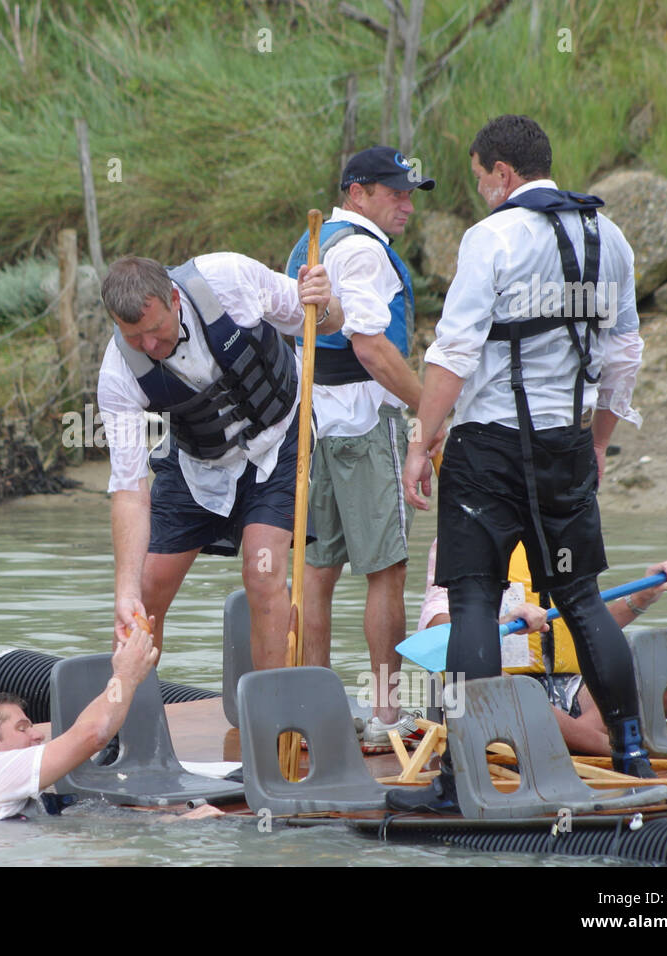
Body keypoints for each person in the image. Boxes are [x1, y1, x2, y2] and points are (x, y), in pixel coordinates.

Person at [393, 114, 650, 811]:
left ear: (501, 173)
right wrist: (596, 441)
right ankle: (631, 750)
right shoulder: (610, 236)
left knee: (474, 601)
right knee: (582, 599)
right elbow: (624, 354)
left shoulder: (493, 237)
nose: (481, 194)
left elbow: (453, 351)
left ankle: (464, 775)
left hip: (487, 449)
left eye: (480, 180)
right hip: (565, 445)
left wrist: (421, 440)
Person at [97, 253, 337, 671]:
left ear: (173, 298)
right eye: (135, 337)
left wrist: (326, 302)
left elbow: (323, 322)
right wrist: (124, 589)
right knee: (146, 589)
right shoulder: (118, 373)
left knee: (263, 575)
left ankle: (273, 720)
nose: (150, 346)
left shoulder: (228, 279)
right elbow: (130, 490)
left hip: (279, 440)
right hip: (198, 461)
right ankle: (129, 722)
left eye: (155, 330)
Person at [284, 145, 434, 753]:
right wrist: (431, 413)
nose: (406, 203)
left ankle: (319, 709)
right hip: (366, 426)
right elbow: (372, 350)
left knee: (317, 574)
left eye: (409, 192)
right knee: (387, 572)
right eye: (393, 191)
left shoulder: (314, 244)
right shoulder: (367, 250)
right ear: (357, 193)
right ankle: (387, 714)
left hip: (310, 425)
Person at [418, 539, 667, 755]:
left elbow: (591, 628)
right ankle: (611, 747)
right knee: (502, 685)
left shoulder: (565, 536)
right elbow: (435, 635)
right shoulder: (461, 541)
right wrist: (503, 622)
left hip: (571, 691)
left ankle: (567, 745)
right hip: (501, 690)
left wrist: (642, 597)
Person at [0, 624, 162, 824]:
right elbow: (94, 735)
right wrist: (126, 676)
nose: (38, 735)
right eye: (22, 728)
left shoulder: (14, 799)